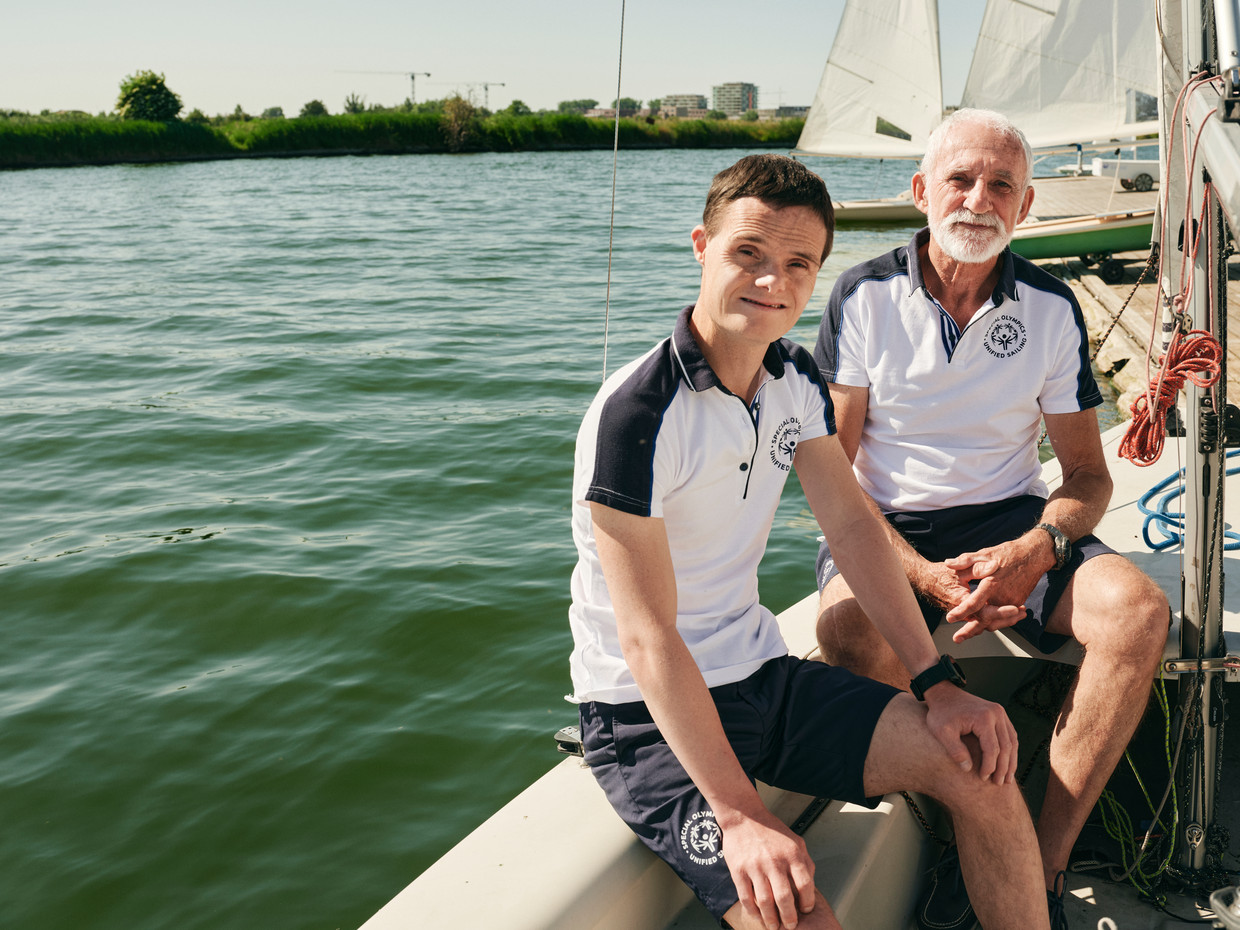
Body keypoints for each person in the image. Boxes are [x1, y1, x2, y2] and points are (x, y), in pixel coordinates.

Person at [567, 152, 1051, 930]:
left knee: (978, 770)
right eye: (748, 254)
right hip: (643, 718)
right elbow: (647, 638)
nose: (773, 281)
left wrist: (936, 683)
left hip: (762, 678)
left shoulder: (793, 379)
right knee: (796, 913)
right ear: (702, 247)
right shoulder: (637, 416)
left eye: (799, 264)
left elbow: (853, 527)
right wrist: (739, 815)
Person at [812, 109, 1169, 930]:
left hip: (1011, 520)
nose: (979, 199)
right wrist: (921, 574)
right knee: (848, 636)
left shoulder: (1050, 307)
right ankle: (956, 836)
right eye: (961, 179)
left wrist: (1038, 548)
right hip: (885, 524)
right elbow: (833, 477)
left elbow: (1087, 476)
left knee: (1138, 614)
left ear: (1027, 204)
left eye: (1001, 185)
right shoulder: (862, 296)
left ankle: (1039, 864)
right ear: (921, 190)